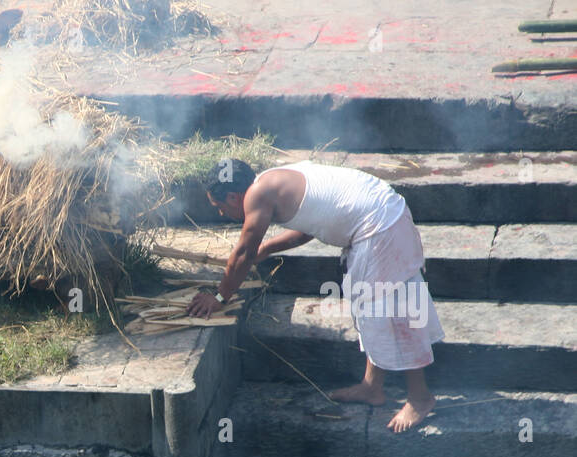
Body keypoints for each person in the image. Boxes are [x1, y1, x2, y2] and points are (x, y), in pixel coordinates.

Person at [188, 158, 444, 432]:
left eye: (220, 207)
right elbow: (310, 228)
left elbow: (242, 254)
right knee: (370, 310)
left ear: (232, 196)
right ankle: (372, 387)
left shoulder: (256, 195)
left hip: (379, 227)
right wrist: (268, 249)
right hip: (382, 217)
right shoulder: (273, 179)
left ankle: (420, 397)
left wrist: (219, 298)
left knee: (395, 313)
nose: (223, 214)